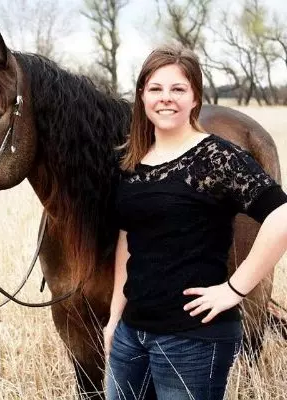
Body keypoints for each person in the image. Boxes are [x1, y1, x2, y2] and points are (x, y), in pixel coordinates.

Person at [104, 44, 287, 400]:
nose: (165, 98)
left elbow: (282, 216)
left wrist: (234, 290)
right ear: (141, 95)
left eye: (178, 89)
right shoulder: (133, 160)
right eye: (155, 89)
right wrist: (114, 317)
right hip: (132, 335)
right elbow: (130, 237)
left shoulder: (216, 157)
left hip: (192, 340)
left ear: (195, 97)